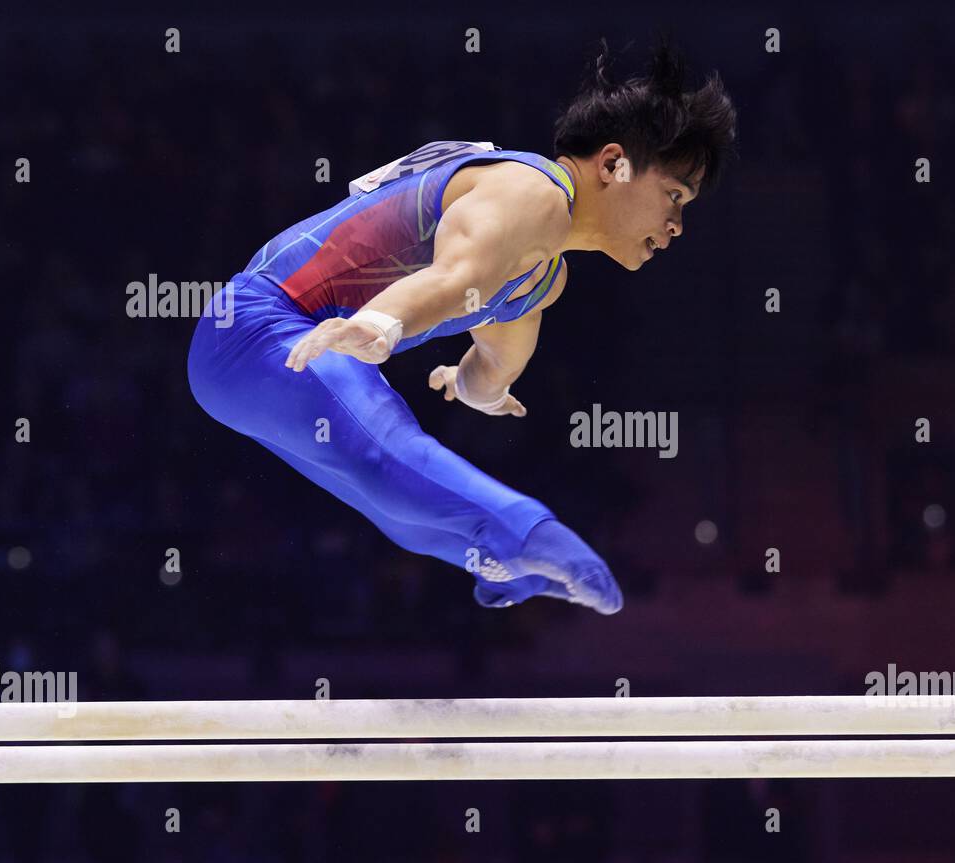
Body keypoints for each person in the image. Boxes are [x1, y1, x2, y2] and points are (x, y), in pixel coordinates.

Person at [187, 37, 737, 614]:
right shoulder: (531, 192)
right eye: (673, 195)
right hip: (257, 326)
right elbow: (452, 279)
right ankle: (530, 533)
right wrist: (380, 323)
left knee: (392, 504)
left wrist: (474, 387)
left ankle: (496, 563)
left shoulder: (541, 280)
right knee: (387, 448)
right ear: (612, 164)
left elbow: (491, 370)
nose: (676, 225)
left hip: (267, 369)